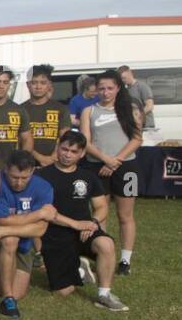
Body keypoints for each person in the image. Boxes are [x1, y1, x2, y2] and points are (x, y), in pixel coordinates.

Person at [36, 131, 127, 310]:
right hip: (55, 234)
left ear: (82, 153)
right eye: (64, 149)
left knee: (106, 244)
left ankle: (104, 295)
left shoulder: (88, 176)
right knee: (63, 291)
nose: (68, 154)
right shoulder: (42, 176)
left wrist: (92, 222)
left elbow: (102, 207)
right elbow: (45, 212)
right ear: (58, 147)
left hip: (86, 230)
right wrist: (75, 224)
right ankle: (79, 268)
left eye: (74, 151)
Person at [80, 70, 142, 275]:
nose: (105, 92)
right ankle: (104, 254)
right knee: (100, 213)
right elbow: (85, 142)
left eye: (110, 88)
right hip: (96, 166)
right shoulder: (89, 111)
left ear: (118, 88)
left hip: (126, 167)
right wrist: (105, 159)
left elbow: (136, 139)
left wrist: (115, 162)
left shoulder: (130, 109)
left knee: (125, 215)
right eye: (101, 88)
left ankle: (125, 260)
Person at [0, 151, 55, 319]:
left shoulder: (43, 187)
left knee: (19, 292)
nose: (19, 183)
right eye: (14, 177)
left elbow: (40, 230)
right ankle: (7, 300)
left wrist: (4, 230)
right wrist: (38, 215)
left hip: (21, 244)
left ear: (32, 171)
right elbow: (1, 221)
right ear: (6, 169)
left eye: (24, 178)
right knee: (10, 240)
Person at [0, 65, 33, 163]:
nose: (1, 86)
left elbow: (27, 139)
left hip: (10, 169)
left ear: (9, 85)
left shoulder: (19, 110)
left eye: (5, 82)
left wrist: (22, 162)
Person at [21, 65, 65, 168]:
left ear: (49, 85)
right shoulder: (19, 110)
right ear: (28, 85)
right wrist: (41, 158)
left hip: (56, 163)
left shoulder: (61, 109)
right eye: (34, 82)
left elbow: (64, 136)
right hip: (27, 165)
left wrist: (53, 157)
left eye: (43, 83)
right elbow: (21, 140)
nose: (38, 86)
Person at [118, 65, 155, 132]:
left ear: (130, 73)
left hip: (146, 126)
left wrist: (137, 116)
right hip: (134, 127)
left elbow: (150, 106)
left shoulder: (142, 86)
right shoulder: (126, 90)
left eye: (124, 78)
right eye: (121, 79)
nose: (123, 80)